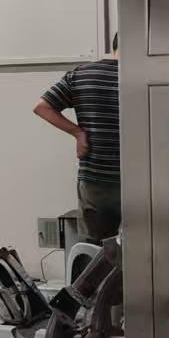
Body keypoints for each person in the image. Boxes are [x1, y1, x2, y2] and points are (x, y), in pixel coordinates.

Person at [33, 36, 120, 241]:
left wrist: (77, 133)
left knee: (95, 249)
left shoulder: (82, 74)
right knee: (145, 249)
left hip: (95, 179)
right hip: (144, 180)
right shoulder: (148, 76)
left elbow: (42, 107)